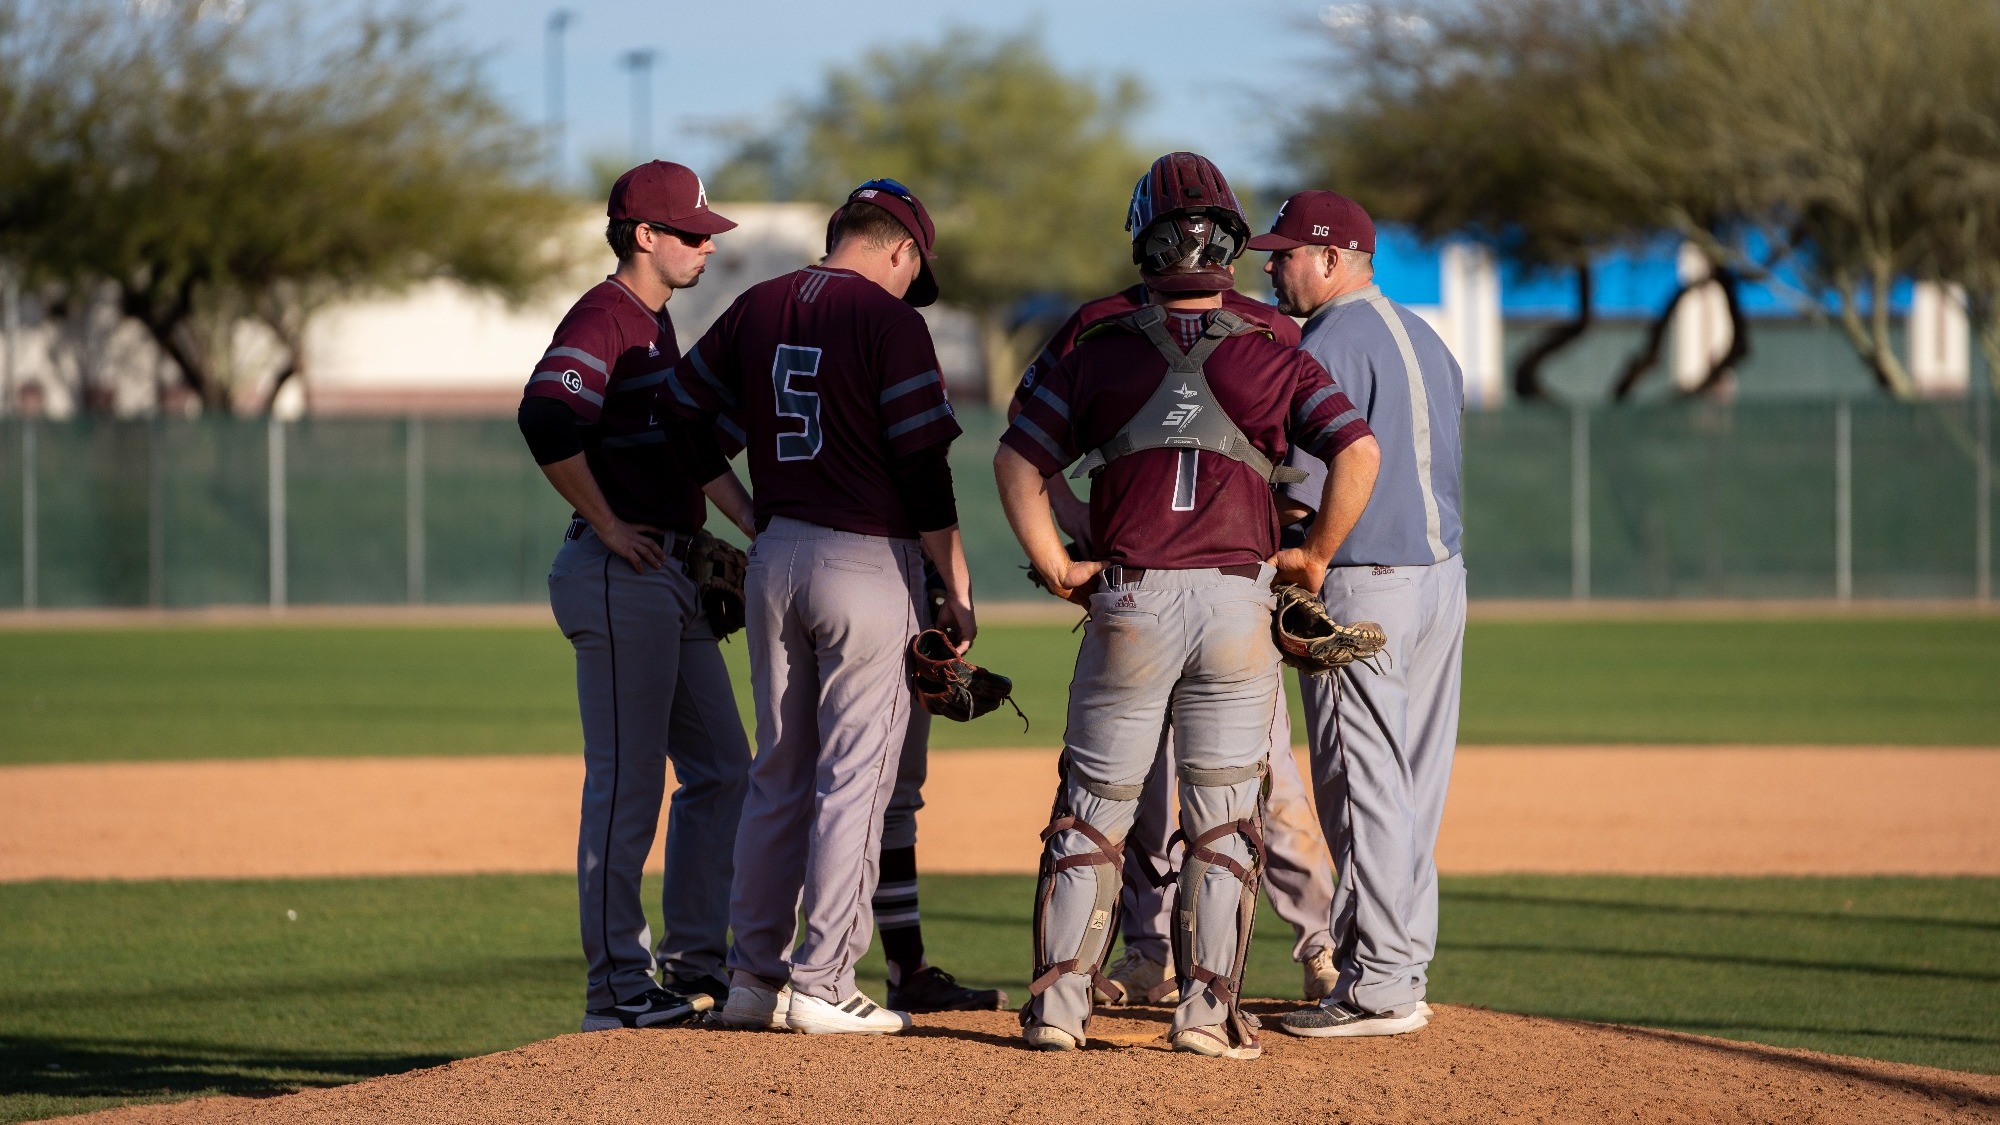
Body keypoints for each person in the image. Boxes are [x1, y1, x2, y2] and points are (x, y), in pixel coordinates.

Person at [996, 152, 1381, 1060]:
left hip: (1128, 596)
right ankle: (1206, 1016)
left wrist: (1056, 562)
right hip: (1236, 605)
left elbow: (1019, 458)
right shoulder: (1275, 338)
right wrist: (1314, 554)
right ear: (1235, 242)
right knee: (1223, 819)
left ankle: (1058, 1008)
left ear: (1145, 239)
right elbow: (1357, 451)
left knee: (1094, 808)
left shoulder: (1094, 333)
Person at [657, 178, 976, 1036]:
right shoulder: (891, 321)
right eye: (916, 267)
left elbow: (680, 420)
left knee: (778, 774)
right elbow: (923, 464)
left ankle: (753, 979)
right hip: (866, 559)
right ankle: (825, 980)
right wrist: (957, 578)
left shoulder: (758, 304)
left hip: (777, 556)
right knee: (855, 780)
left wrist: (749, 512)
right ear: (901, 250)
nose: (913, 284)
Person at [1007, 278, 1341, 1010]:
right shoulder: (1240, 330)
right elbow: (1345, 447)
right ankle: (1160, 964)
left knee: (1232, 788)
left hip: (1151, 594)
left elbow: (1019, 444)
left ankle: (1320, 945)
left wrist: (1066, 543)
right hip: (1218, 595)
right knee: (1197, 796)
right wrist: (1078, 516)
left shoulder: (1113, 328)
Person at [515, 161, 755, 1032]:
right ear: (643, 236)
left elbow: (692, 452)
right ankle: (615, 985)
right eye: (691, 232)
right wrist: (611, 523)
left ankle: (694, 963)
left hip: (673, 574)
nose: (705, 244)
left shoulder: (655, 328)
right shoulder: (606, 316)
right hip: (622, 573)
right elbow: (545, 415)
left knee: (724, 766)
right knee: (625, 784)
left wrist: (757, 523)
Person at [1251, 190, 1466, 1039]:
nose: (1272, 266)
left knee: (1362, 778)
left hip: (1363, 583)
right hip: (1441, 579)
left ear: (1333, 258)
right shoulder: (1427, 336)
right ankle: (1401, 966)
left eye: (1285, 253)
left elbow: (1313, 481)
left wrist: (1306, 559)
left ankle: (1378, 984)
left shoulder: (1328, 340)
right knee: (1411, 782)